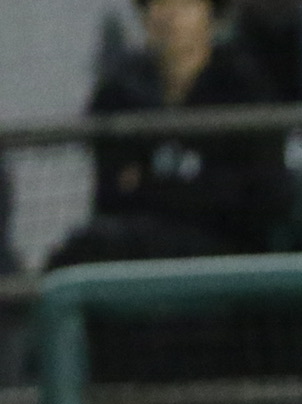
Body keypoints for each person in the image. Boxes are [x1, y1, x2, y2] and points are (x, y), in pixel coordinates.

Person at [48, 0, 289, 269]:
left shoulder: (245, 88)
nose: (169, 14)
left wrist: (148, 184)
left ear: (211, 14)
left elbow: (258, 198)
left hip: (224, 257)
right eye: (158, 3)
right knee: (79, 256)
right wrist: (192, 187)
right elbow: (111, 194)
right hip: (131, 251)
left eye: (185, 4)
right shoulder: (118, 94)